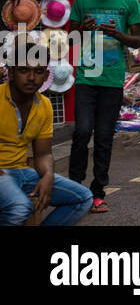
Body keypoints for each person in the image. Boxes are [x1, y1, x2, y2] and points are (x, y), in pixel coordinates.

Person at [67, 0, 140, 215]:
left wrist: (118, 34)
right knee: (82, 132)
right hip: (86, 75)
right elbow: (70, 39)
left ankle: (98, 192)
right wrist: (84, 30)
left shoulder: (129, 0)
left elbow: (138, 41)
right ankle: (74, 188)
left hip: (112, 78)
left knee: (104, 137)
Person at [0, 38, 93, 226]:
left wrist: (48, 175)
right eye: (24, 70)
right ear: (11, 73)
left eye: (39, 71)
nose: (32, 77)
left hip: (21, 172)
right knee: (20, 208)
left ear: (46, 75)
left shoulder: (44, 105)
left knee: (83, 198)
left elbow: (43, 153)